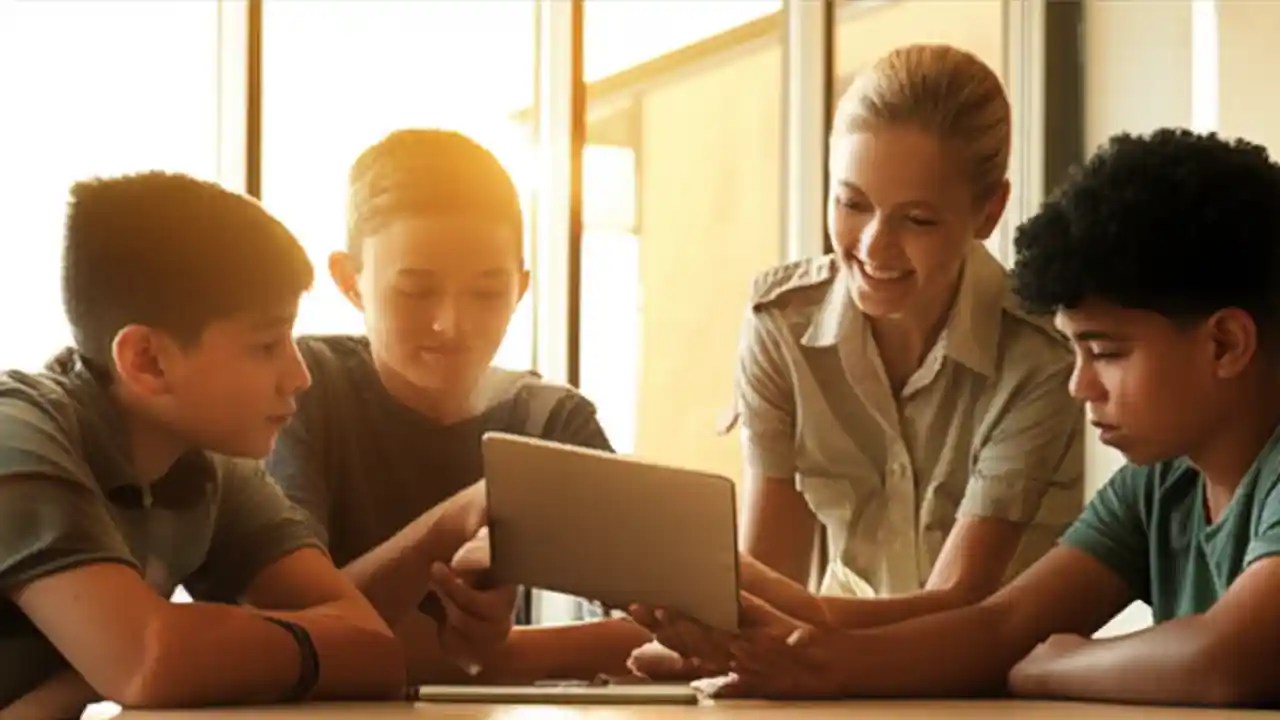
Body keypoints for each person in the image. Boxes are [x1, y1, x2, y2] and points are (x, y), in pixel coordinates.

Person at [636, 128, 1280, 707]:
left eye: (1106, 353)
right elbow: (1000, 627)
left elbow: (1226, 660)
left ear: (1225, 344)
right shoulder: (1161, 484)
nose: (1081, 385)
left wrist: (1055, 666)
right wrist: (812, 661)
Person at [631, 42, 1083, 679]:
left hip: (988, 688)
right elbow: (762, 581)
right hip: (818, 673)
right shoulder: (782, 326)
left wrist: (758, 619)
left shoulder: (1041, 358)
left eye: (918, 220)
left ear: (989, 210)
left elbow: (959, 607)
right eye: (851, 204)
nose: (874, 245)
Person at [0, 173, 483, 717]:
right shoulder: (15, 435)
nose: (299, 375)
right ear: (147, 360)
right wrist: (141, 656)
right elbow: (149, 663)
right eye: (266, 345)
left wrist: (109, 668)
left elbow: (373, 646)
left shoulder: (209, 468)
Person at [266, 129, 651, 684]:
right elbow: (286, 631)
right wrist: (460, 519)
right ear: (351, 282)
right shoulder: (298, 389)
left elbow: (677, 627)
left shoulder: (550, 420)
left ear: (520, 288)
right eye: (416, 291)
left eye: (487, 291)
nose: (452, 324)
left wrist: (495, 654)